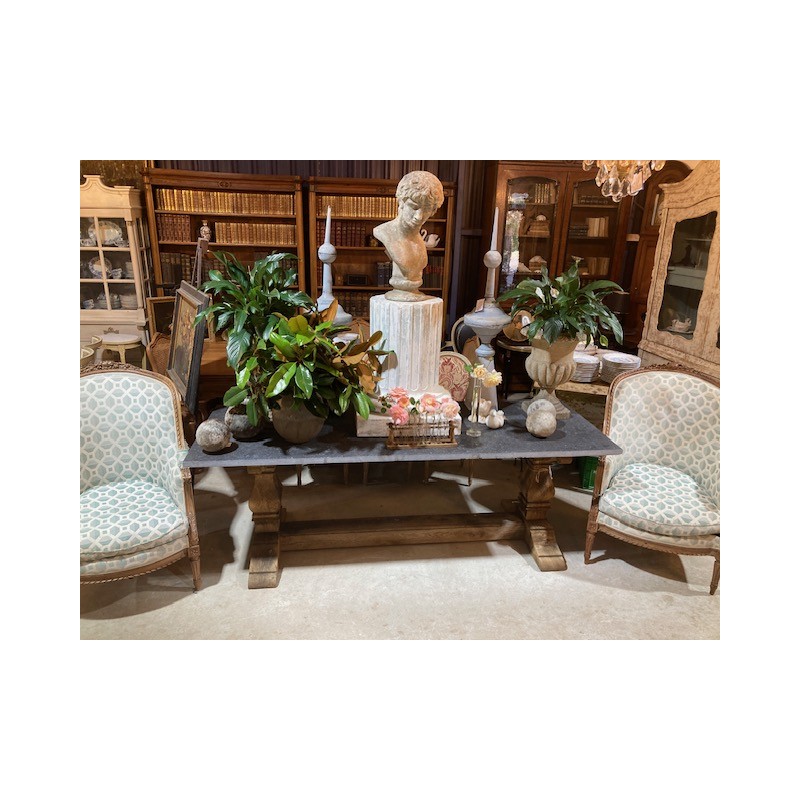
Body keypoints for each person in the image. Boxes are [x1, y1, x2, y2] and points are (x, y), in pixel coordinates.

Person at [373, 171, 444, 301]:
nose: (419, 217)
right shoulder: (384, 232)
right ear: (401, 202)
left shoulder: (420, 242)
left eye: (427, 209)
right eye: (414, 207)